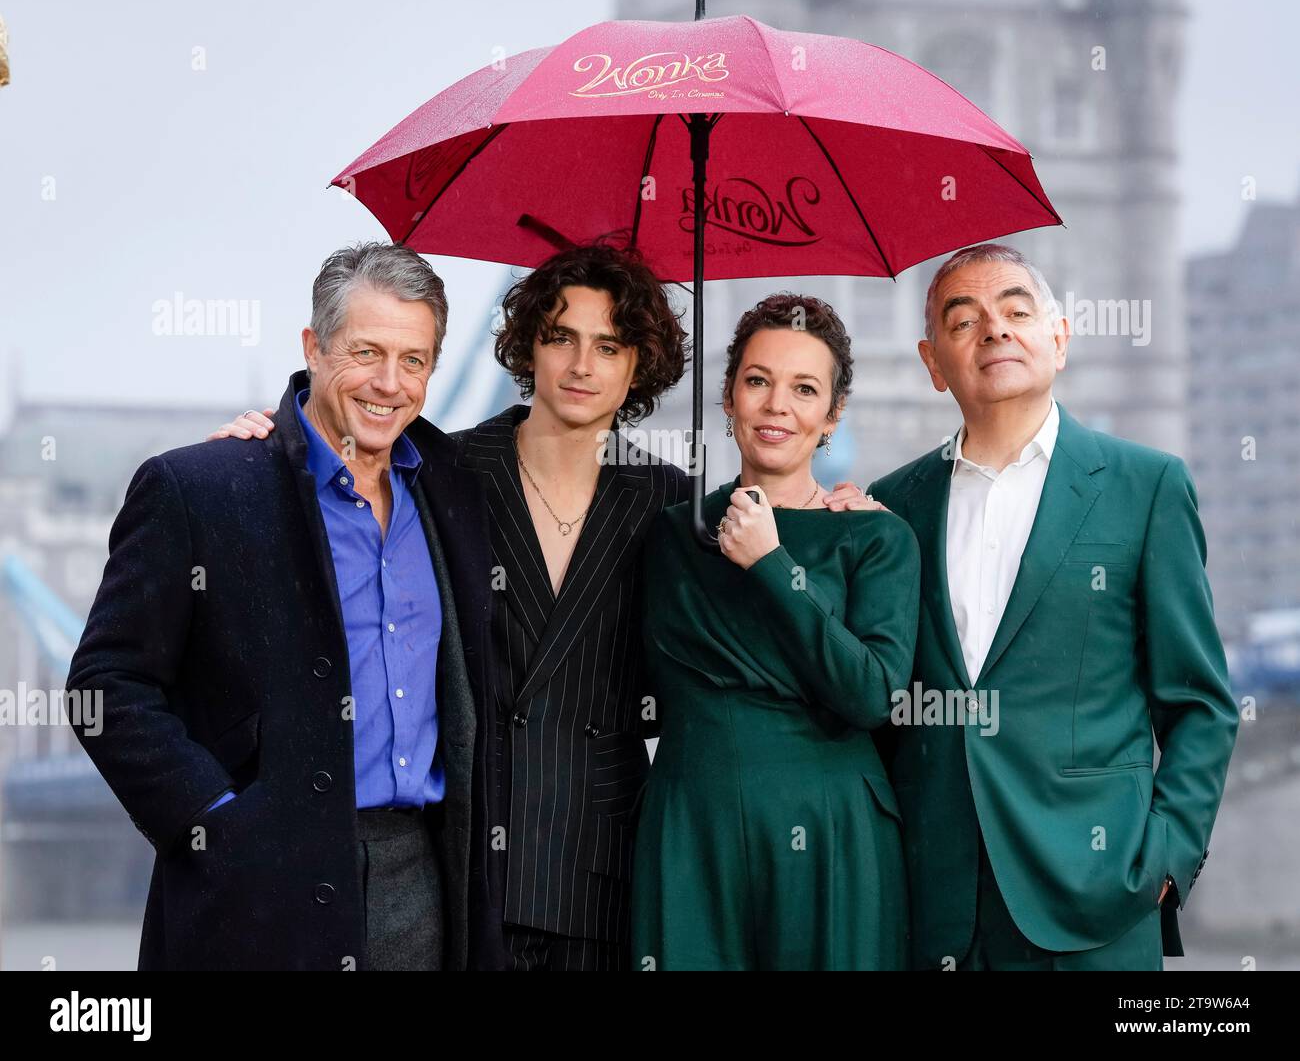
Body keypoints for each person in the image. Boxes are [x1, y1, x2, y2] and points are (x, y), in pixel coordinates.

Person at [212, 245, 881, 970]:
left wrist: (834, 514)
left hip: (607, 862)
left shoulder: (673, 501)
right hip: (470, 857)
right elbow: (341, 455)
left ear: (640, 364)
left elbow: (743, 650)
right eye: (561, 337)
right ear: (528, 344)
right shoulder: (442, 469)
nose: (581, 366)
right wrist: (265, 448)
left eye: (609, 345)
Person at [67, 242, 491, 970]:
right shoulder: (201, 488)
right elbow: (103, 685)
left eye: (415, 360)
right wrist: (215, 818)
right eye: (367, 351)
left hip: (421, 881)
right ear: (314, 348)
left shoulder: (456, 484)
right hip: (257, 888)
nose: (390, 384)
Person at [870, 242, 1239, 970]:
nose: (995, 329)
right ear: (932, 359)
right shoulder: (891, 506)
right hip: (929, 907)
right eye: (964, 318)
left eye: (1016, 310)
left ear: (1059, 340)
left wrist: (1165, 858)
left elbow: (1200, 703)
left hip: (1096, 897)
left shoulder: (1146, 486)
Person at [630, 293, 920, 971]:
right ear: (728, 396)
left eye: (804, 388)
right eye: (757, 381)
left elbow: (872, 694)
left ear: (832, 414)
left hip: (830, 831)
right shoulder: (675, 534)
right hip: (691, 828)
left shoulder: (877, 538)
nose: (776, 405)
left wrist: (771, 563)